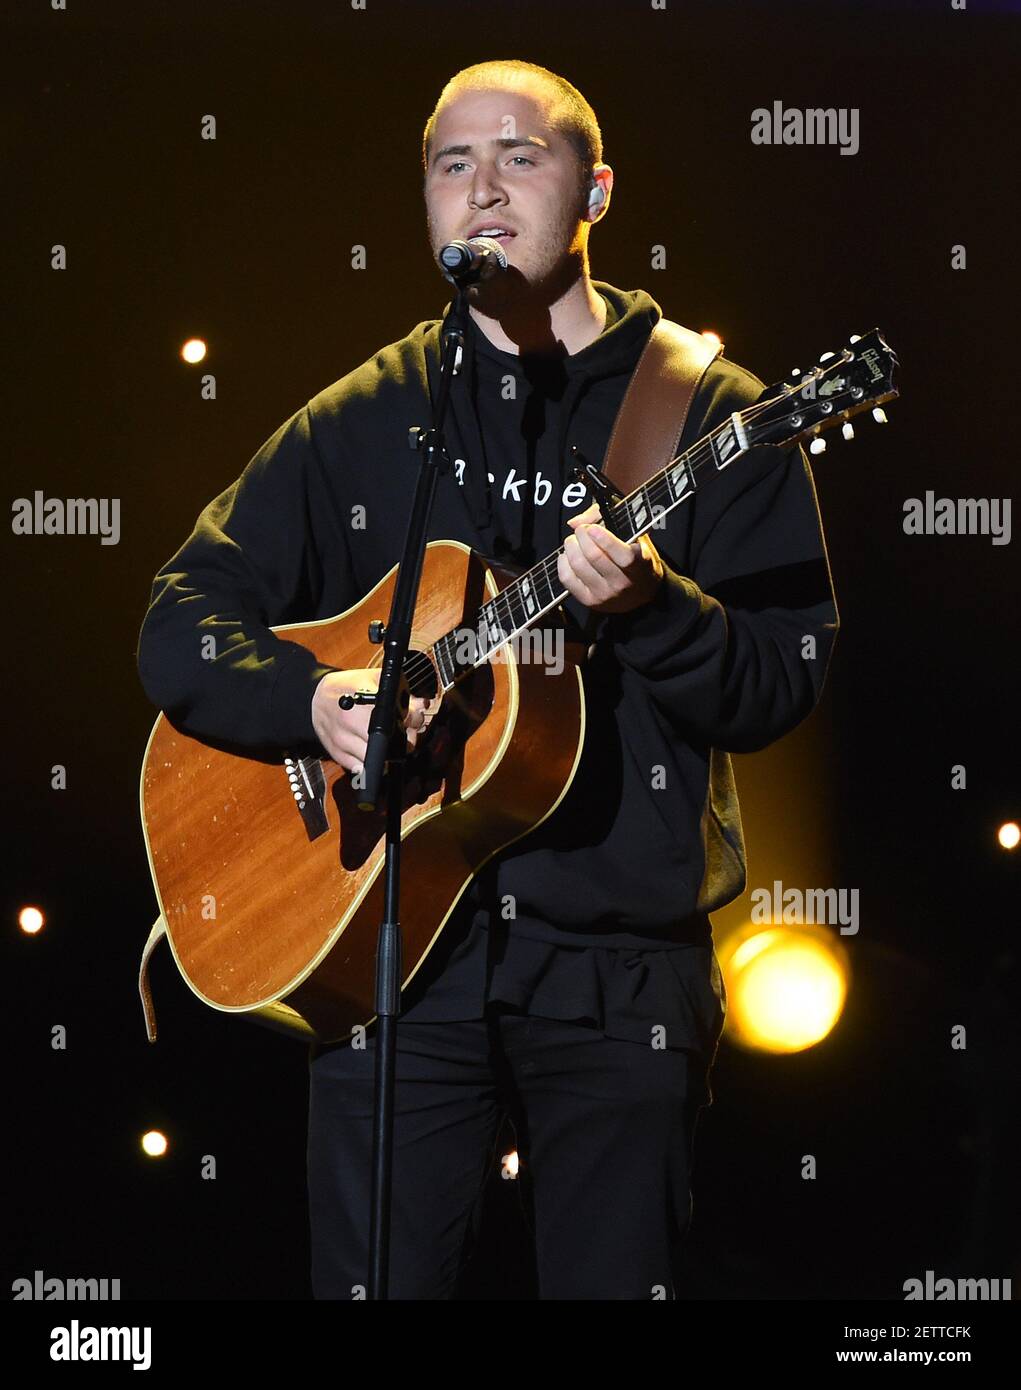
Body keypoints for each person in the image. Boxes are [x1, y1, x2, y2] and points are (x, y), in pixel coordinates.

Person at [136, 59, 839, 1300]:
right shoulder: (372, 411)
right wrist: (310, 702)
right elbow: (181, 615)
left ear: (596, 192)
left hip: (620, 975)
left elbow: (780, 680)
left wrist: (654, 607)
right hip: (392, 958)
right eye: (452, 165)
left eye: (521, 156)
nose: (484, 189)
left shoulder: (708, 411)